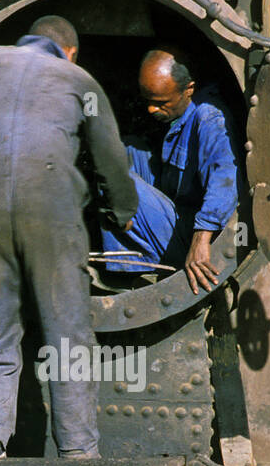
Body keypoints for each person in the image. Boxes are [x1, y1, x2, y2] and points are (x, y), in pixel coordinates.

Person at [0, 15, 137, 458]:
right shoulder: (82, 82)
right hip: (52, 216)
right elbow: (109, 157)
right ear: (71, 51)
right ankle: (78, 447)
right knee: (67, 334)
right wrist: (123, 211)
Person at [99, 48, 244, 294]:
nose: (151, 110)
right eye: (148, 101)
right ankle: (131, 242)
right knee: (125, 149)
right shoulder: (189, 110)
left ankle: (130, 270)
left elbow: (226, 178)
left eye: (161, 103)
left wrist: (201, 238)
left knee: (119, 182)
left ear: (189, 89)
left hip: (190, 235)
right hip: (177, 206)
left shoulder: (210, 118)